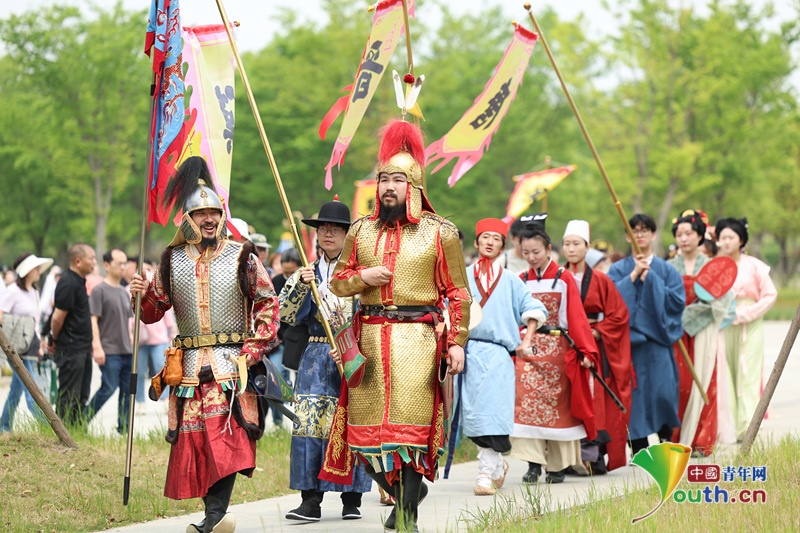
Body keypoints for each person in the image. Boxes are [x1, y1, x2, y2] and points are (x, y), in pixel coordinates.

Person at [322, 120, 471, 532]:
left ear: (415, 186)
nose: (387, 186)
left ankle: (407, 518)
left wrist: (456, 342)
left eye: (397, 180)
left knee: (409, 440)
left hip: (418, 343)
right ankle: (408, 495)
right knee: (362, 439)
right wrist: (361, 279)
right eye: (383, 179)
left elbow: (458, 293)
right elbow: (337, 282)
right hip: (368, 341)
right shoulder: (360, 229)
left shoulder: (441, 233)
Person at [129, 156, 280, 533]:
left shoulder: (242, 255)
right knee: (196, 444)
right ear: (188, 219)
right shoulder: (171, 260)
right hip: (189, 368)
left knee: (225, 438)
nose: (209, 219)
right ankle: (214, 515)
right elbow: (152, 312)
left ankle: (214, 516)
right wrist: (139, 295)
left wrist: (253, 350)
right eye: (202, 214)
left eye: (215, 212)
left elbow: (267, 302)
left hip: (232, 365)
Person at [279, 198, 372, 522]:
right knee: (309, 424)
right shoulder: (308, 271)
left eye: (335, 229)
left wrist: (351, 345)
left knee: (351, 422)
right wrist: (300, 286)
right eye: (323, 229)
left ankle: (352, 496)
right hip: (316, 356)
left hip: (353, 353)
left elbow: (371, 313)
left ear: (347, 234)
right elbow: (286, 314)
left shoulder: (358, 273)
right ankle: (310, 499)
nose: (328, 234)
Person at [460, 218, 546, 495]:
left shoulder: (511, 280)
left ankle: (484, 475)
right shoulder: (462, 276)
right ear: (476, 242)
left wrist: (527, 339)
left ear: (502, 244)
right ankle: (497, 467)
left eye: (496, 238)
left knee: (493, 416)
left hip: (498, 354)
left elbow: (534, 307)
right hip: (468, 353)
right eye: (484, 237)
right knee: (472, 417)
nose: (489, 242)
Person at [511, 215, 598, 484]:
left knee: (558, 408)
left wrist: (585, 351)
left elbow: (576, 317)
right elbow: (514, 316)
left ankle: (557, 466)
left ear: (549, 250)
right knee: (527, 404)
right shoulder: (520, 278)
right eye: (526, 253)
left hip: (558, 349)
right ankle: (533, 463)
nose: (531, 257)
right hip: (529, 350)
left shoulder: (564, 278)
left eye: (536, 252)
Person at [607, 214, 685, 454]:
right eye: (635, 230)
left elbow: (677, 301)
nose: (639, 234)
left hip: (658, 341)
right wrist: (631, 277)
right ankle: (638, 446)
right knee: (636, 395)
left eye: (644, 230)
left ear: (653, 234)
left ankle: (664, 440)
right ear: (627, 236)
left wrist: (650, 278)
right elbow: (609, 302)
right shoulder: (618, 269)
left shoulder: (665, 269)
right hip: (629, 344)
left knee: (663, 390)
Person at [562, 220, 632, 474]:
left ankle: (593, 455)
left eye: (576, 244)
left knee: (594, 399)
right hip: (566, 346)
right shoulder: (558, 277)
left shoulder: (601, 280)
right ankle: (566, 458)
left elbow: (619, 314)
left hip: (592, 347)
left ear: (587, 247)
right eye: (567, 244)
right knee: (567, 400)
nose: (571, 249)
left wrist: (596, 331)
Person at [668, 210, 734, 456]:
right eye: (679, 234)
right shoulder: (668, 267)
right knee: (679, 383)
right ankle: (677, 438)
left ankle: (701, 442)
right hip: (675, 332)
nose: (683, 238)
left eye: (689, 233)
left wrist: (691, 318)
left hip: (703, 330)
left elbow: (721, 301)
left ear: (700, 236)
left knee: (705, 381)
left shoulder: (711, 266)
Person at [716, 217, 777, 441]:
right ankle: (729, 428)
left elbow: (770, 295)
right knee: (726, 373)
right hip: (723, 324)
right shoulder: (715, 266)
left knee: (748, 373)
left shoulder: (754, 265)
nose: (726, 241)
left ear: (741, 240)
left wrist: (745, 314)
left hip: (748, 324)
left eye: (731, 237)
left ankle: (748, 426)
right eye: (722, 237)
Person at [0, 253, 53, 432]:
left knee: (16, 389)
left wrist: (38, 344)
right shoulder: (12, 291)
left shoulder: (35, 292)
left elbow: (35, 322)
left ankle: (4, 427)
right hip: (14, 347)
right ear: (27, 270)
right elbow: (1, 315)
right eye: (35, 268)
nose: (38, 271)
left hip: (30, 346)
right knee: (32, 390)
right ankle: (47, 429)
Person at [85, 248, 134, 434]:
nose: (123, 267)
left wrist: (131, 342)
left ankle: (124, 429)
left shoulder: (123, 292)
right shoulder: (99, 291)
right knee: (108, 387)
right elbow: (93, 320)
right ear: (106, 265)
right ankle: (83, 420)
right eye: (119, 263)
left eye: (125, 263)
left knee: (127, 391)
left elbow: (127, 322)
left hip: (126, 350)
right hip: (109, 350)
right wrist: (97, 346)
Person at [49, 243, 96, 427]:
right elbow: (57, 318)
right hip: (70, 348)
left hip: (83, 348)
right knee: (69, 395)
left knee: (82, 394)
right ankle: (63, 433)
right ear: (78, 261)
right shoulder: (68, 283)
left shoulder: (79, 281)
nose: (94, 262)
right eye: (91, 258)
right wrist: (54, 339)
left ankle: (76, 432)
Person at [134, 260, 177, 405]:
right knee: (138, 372)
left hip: (158, 339)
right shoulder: (134, 286)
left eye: (148, 268)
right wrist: (137, 296)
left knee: (161, 368)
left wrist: (171, 330)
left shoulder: (158, 286)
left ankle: (165, 398)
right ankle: (139, 400)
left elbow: (167, 315)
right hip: (140, 340)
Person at [267, 248, 301, 427]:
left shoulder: (305, 282)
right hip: (279, 339)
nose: (288, 276)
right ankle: (279, 420)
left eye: (292, 272)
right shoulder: (276, 282)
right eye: (285, 272)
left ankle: (300, 418)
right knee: (277, 377)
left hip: (300, 338)